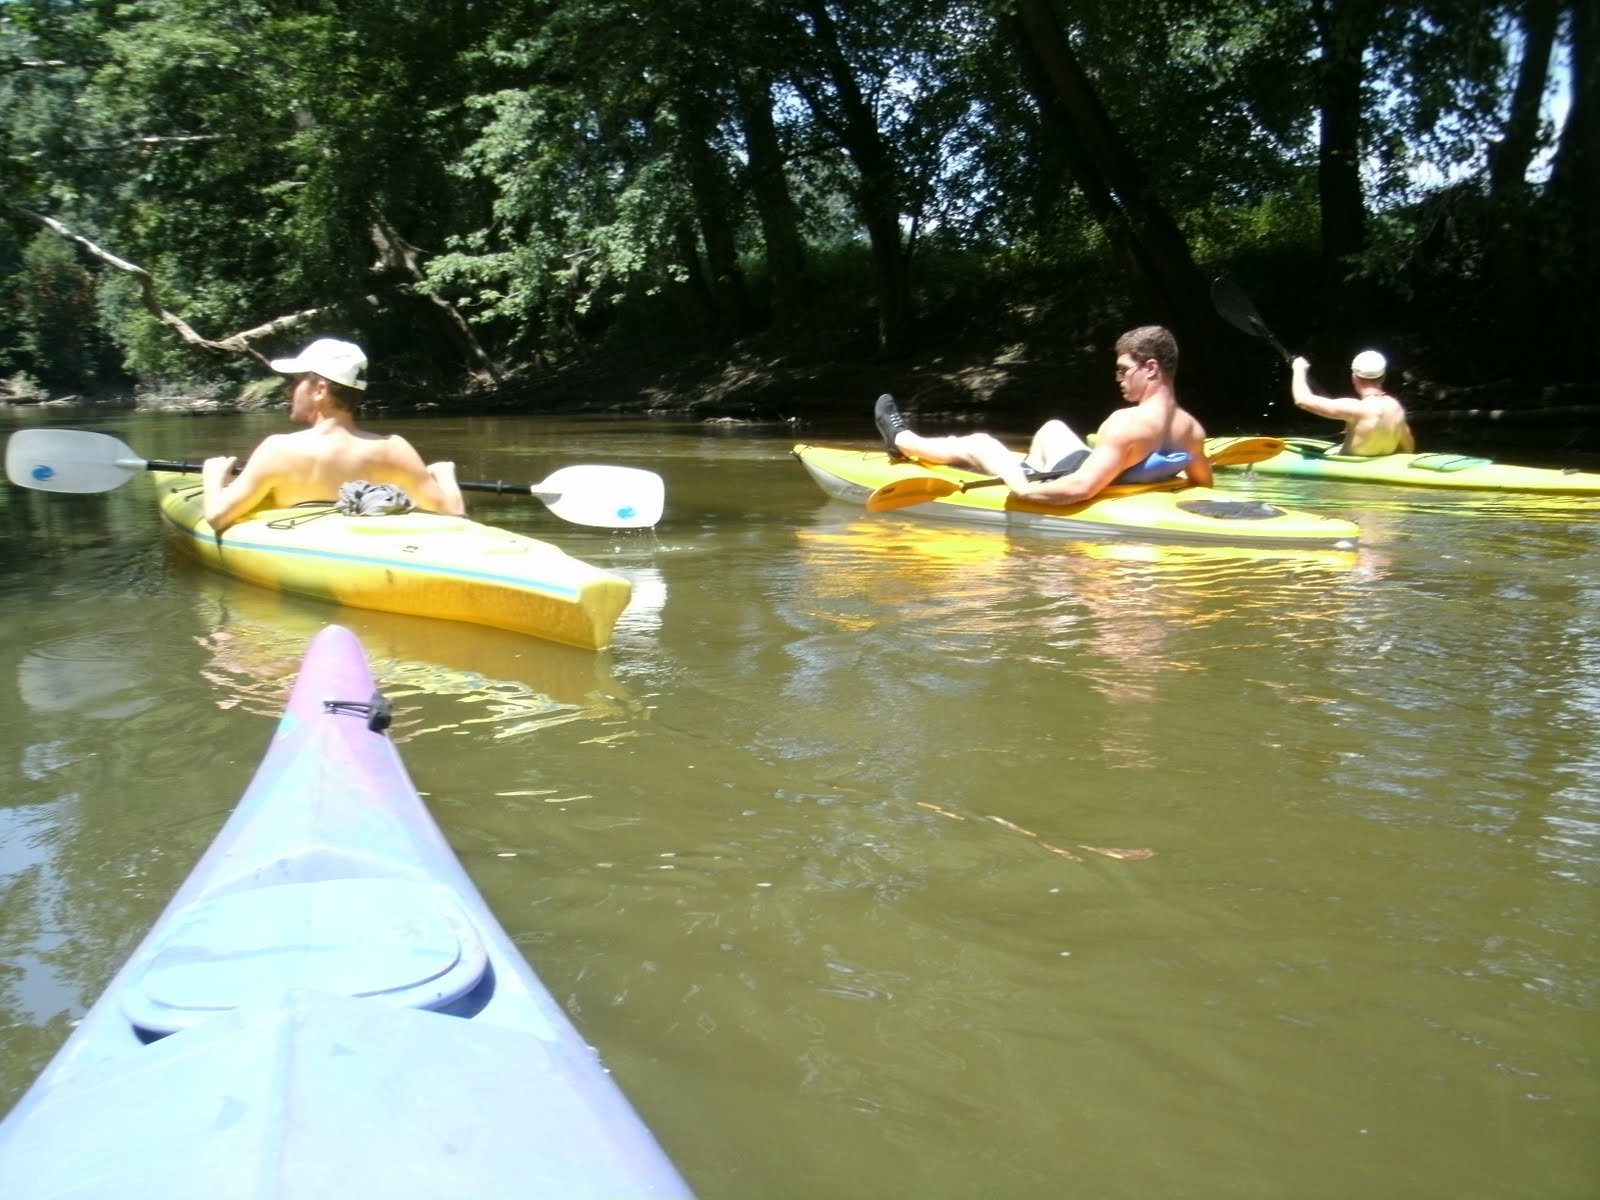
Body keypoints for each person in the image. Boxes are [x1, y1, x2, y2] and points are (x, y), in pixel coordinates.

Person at [873, 325, 1212, 504]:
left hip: (1070, 479)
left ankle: (902, 439)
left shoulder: (1126, 424)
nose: (1117, 378)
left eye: (1123, 370)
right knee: (1053, 428)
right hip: (1096, 468)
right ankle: (1029, 467)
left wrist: (1023, 490)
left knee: (981, 442)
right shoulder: (1192, 430)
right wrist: (1159, 481)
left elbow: (1080, 488)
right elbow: (1202, 484)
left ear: (1151, 369)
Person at [201, 338, 465, 532]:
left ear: (319, 390)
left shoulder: (278, 450)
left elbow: (216, 517)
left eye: (295, 381)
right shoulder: (394, 449)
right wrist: (444, 473)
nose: (288, 391)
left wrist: (213, 476)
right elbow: (453, 512)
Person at [1289, 349, 1415, 457]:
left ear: (1354, 377)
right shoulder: (1396, 407)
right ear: (1383, 377)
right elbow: (1408, 446)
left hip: (1347, 467)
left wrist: (1299, 369)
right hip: (1379, 466)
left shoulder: (1356, 409)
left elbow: (1302, 400)